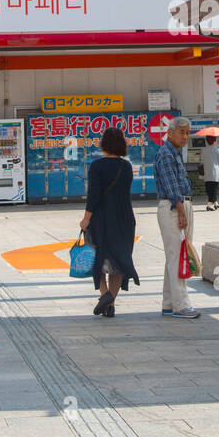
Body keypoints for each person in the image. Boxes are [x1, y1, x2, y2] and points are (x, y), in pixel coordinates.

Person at [79, 128, 139, 318]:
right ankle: (111, 302)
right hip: (124, 219)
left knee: (99, 258)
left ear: (103, 144)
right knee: (120, 259)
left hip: (102, 219)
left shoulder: (97, 166)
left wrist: (86, 218)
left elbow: (94, 196)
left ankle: (105, 295)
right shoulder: (126, 166)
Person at [154, 115, 199, 318]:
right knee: (177, 256)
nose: (185, 136)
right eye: (182, 132)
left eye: (188, 132)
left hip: (180, 206)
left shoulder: (176, 153)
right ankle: (181, 305)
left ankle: (169, 302)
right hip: (173, 207)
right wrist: (181, 212)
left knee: (173, 256)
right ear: (169, 133)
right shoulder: (166, 154)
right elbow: (172, 188)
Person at [201, 134, 219, 211]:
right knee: (214, 189)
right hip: (215, 172)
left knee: (209, 188)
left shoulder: (203, 150)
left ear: (206, 141)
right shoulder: (217, 150)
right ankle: (209, 205)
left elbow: (202, 162)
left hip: (206, 172)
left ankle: (216, 203)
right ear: (215, 141)